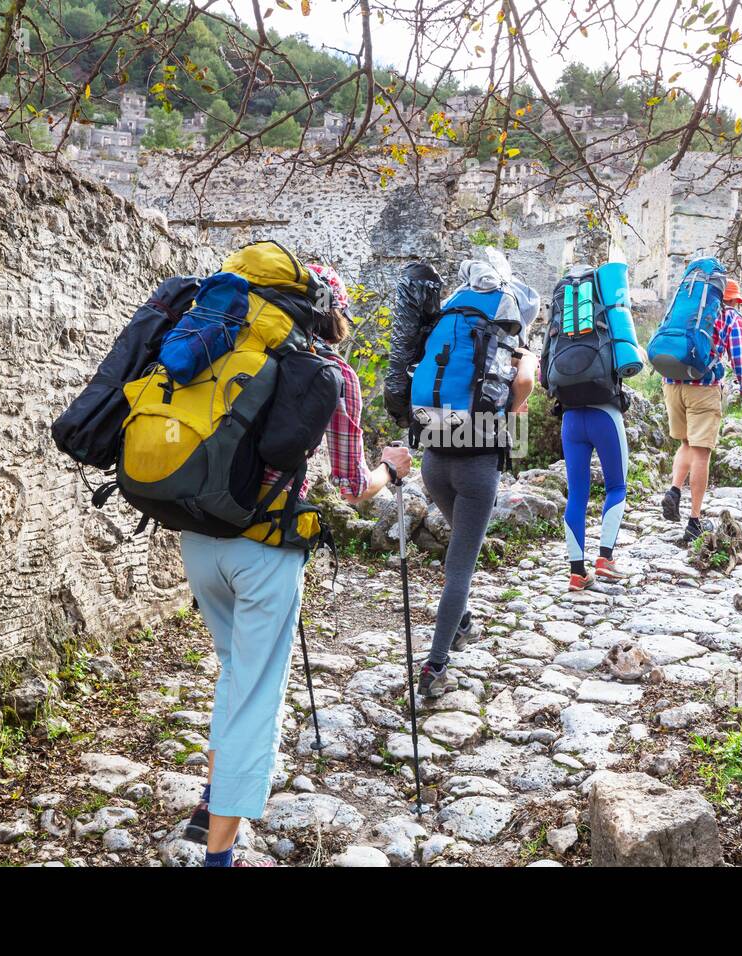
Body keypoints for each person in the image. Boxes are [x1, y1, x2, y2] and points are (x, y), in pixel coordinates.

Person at [182, 262, 411, 866]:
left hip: (196, 535)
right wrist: (392, 469)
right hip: (264, 550)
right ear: (328, 311)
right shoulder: (330, 372)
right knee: (258, 695)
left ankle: (211, 799)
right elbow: (351, 484)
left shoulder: (214, 343)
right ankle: (217, 857)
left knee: (236, 669)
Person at [413, 261, 539, 698]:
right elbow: (523, 382)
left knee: (458, 551)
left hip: (434, 457)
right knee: (460, 569)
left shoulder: (452, 323)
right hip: (477, 463)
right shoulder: (512, 343)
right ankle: (435, 665)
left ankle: (462, 622)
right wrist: (512, 413)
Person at [659, 278, 742, 544]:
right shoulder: (730, 317)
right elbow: (739, 357)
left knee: (686, 444)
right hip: (703, 388)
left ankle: (673, 490)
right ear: (732, 299)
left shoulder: (688, 309)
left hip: (672, 385)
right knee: (702, 451)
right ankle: (694, 521)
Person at [561, 396, 630, 590]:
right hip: (605, 414)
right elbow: (631, 365)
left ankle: (577, 573)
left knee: (575, 495)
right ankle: (605, 558)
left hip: (571, 417)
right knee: (617, 487)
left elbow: (545, 380)